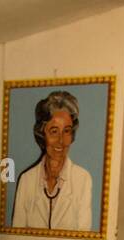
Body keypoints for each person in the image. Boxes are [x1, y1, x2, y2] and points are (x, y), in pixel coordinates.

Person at [10, 90, 93, 232]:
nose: (61, 141)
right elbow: (18, 238)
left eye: (66, 131)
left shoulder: (83, 179)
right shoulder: (26, 180)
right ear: (42, 134)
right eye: (54, 131)